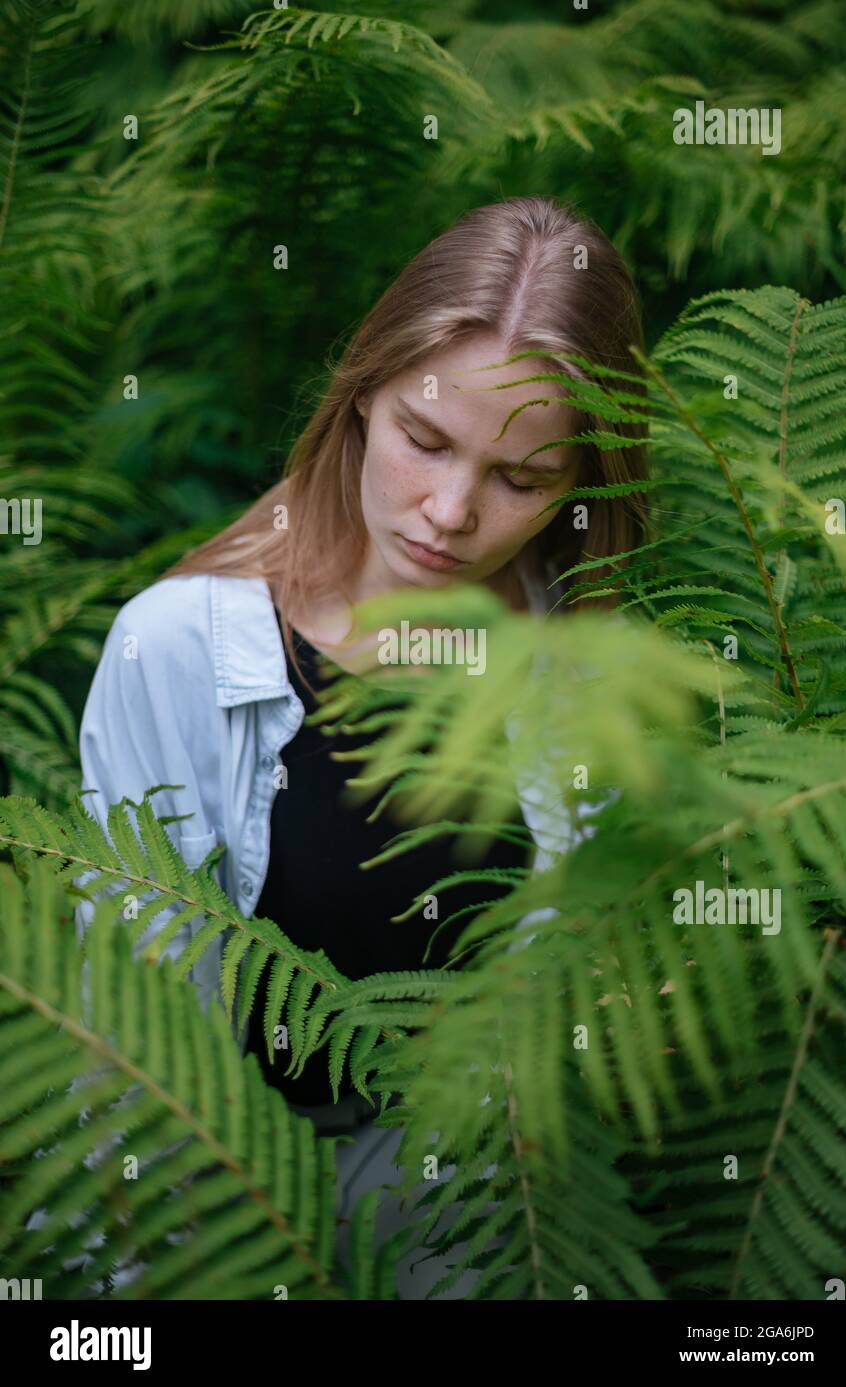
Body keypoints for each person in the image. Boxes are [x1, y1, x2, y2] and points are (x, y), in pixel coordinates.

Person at [74, 194, 649, 1298]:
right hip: (211, 1203)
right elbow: (136, 1045)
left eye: (521, 479)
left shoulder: (592, 674)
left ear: (580, 488)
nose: (447, 511)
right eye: (423, 440)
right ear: (361, 399)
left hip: (482, 1215)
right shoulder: (180, 652)